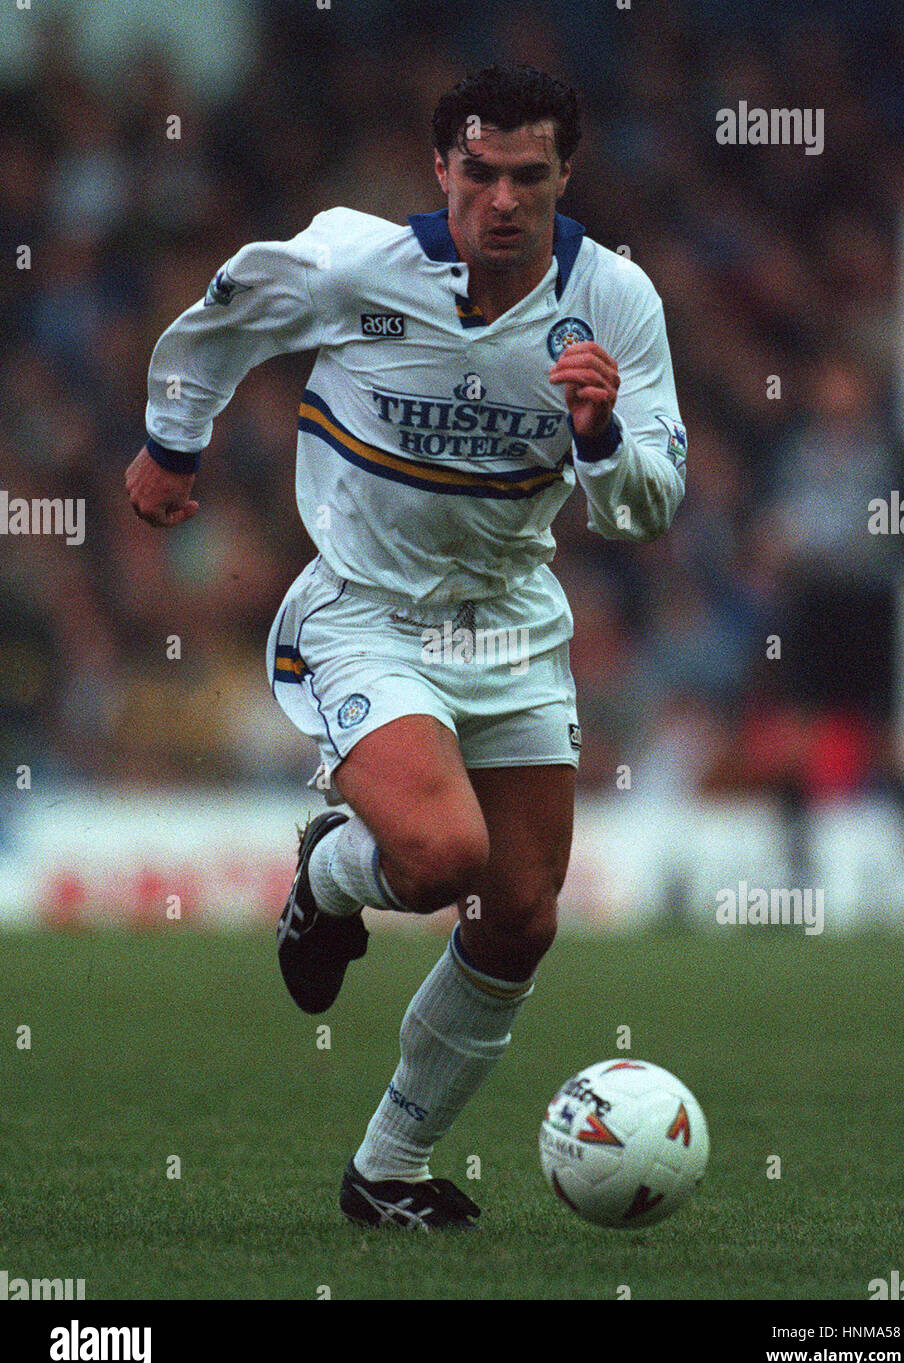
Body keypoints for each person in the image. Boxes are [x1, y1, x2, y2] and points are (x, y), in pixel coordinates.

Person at [125, 64, 686, 1229]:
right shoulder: (356, 263)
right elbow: (226, 310)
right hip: (366, 610)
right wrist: (173, 441)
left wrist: (598, 435)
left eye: (529, 176)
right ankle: (330, 877)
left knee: (522, 915)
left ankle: (385, 1171)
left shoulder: (618, 301)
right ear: (442, 170)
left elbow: (651, 501)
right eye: (478, 172)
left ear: (564, 177)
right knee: (437, 857)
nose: (502, 199)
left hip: (512, 619)